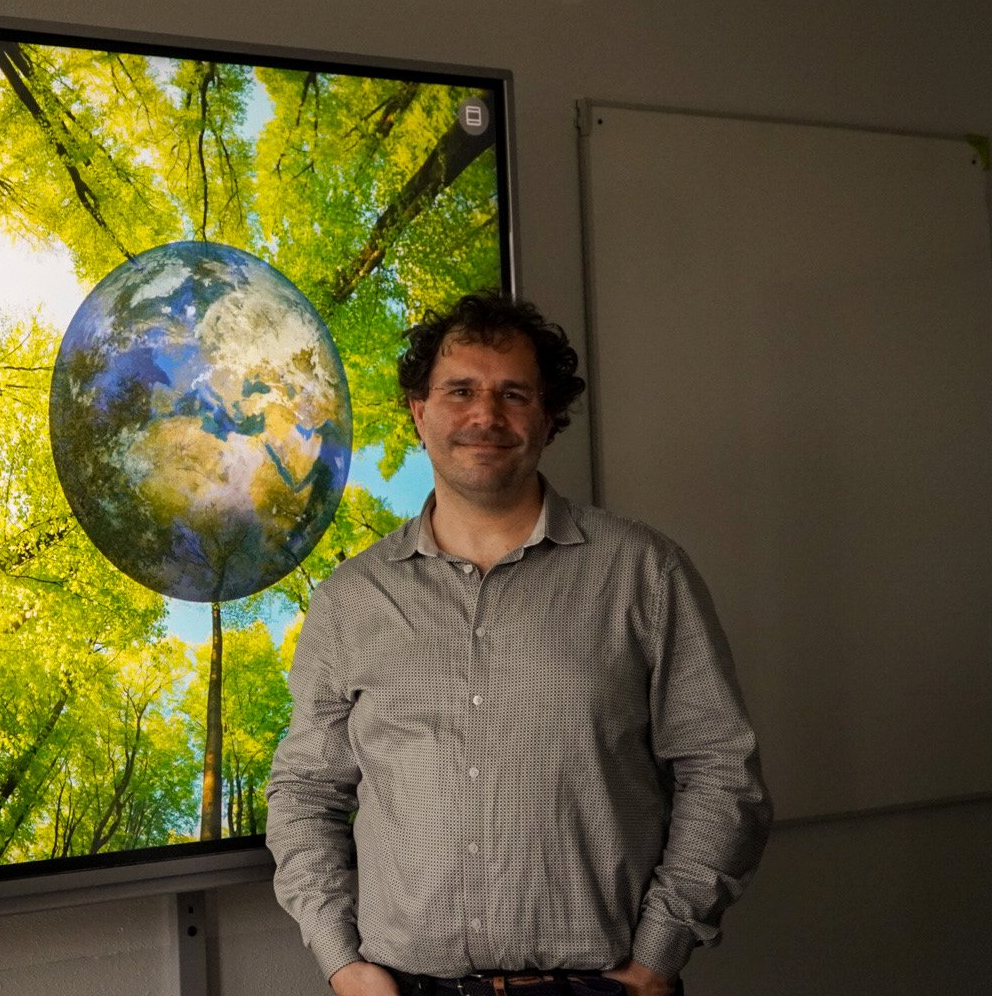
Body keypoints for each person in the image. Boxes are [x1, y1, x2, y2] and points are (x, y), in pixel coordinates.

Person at [265, 291, 771, 996]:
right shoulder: (351, 601)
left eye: (514, 394)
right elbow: (303, 793)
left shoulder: (644, 574)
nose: (485, 416)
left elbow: (721, 773)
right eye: (460, 391)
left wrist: (658, 954)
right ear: (419, 412)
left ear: (549, 416)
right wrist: (343, 964)